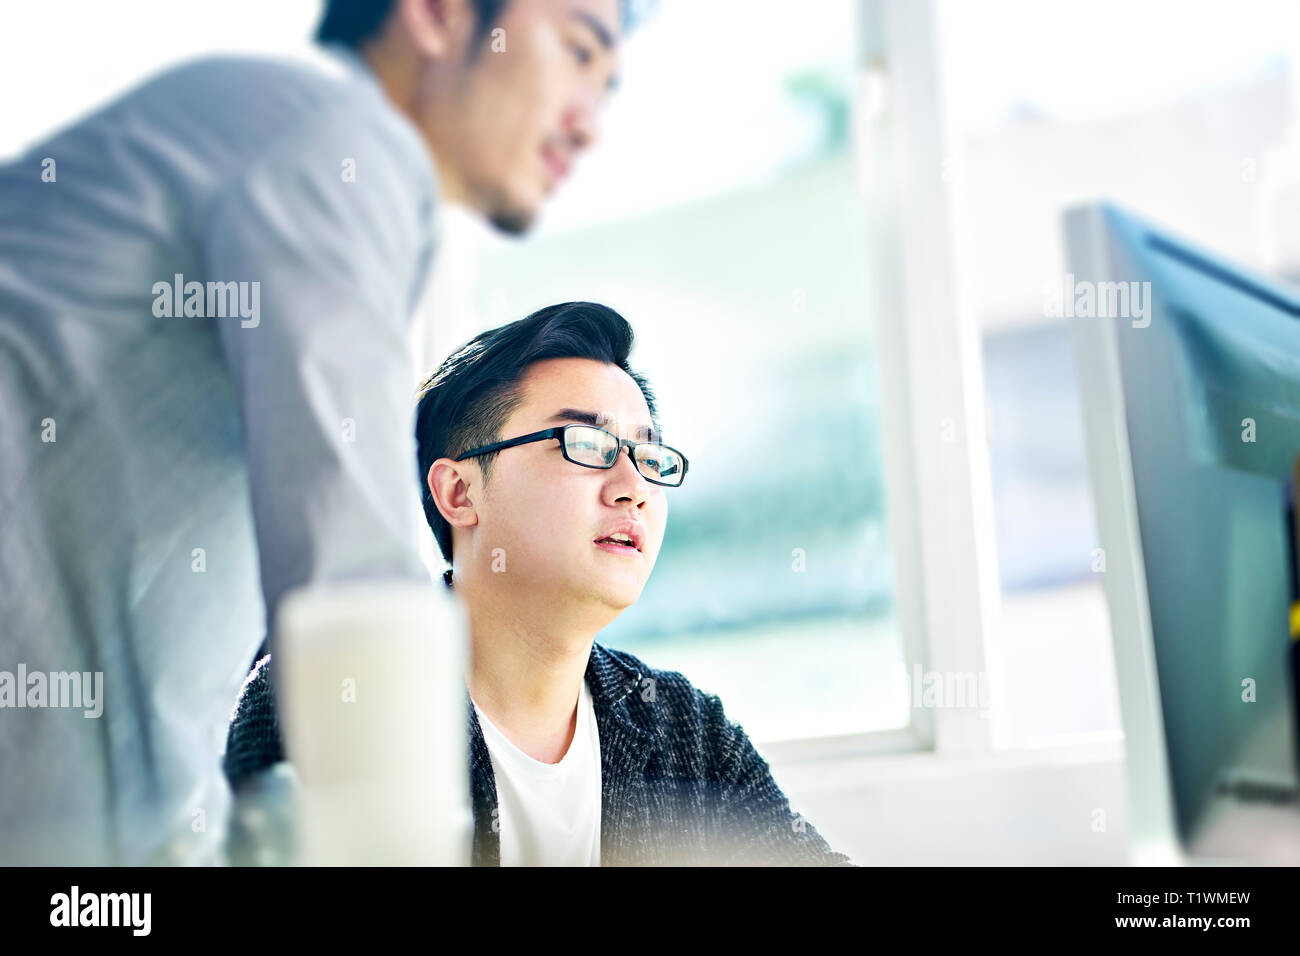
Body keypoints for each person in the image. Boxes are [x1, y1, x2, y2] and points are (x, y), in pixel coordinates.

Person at [0, 0, 631, 865]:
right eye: (578, 47)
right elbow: (350, 582)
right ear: (440, 16)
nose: (591, 123)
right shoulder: (333, 146)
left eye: (612, 81)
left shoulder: (287, 151)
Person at [225, 301, 857, 866]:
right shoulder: (329, 695)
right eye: (586, 444)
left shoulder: (683, 732)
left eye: (648, 456)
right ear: (459, 491)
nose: (632, 487)